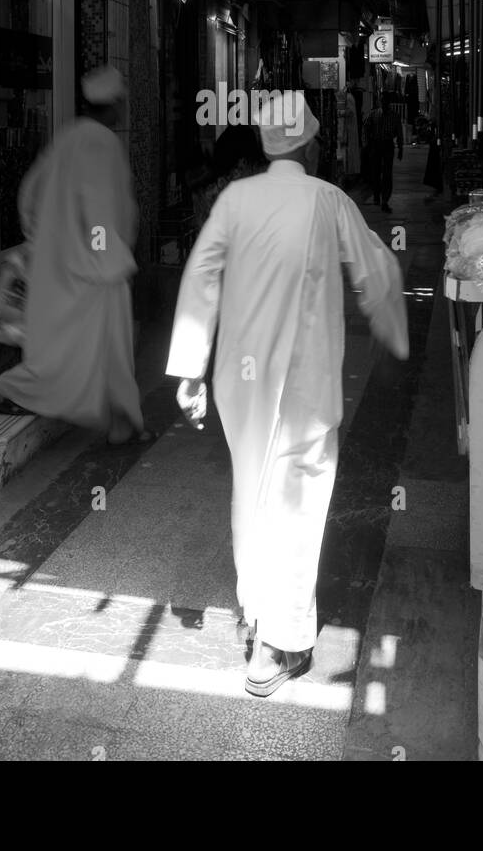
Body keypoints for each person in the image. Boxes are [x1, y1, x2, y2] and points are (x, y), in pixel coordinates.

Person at [165, 93, 409, 697]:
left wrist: (189, 371)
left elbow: (200, 277)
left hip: (241, 384)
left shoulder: (235, 200)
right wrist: (396, 333)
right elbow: (376, 270)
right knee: (298, 501)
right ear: (306, 142)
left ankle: (258, 621)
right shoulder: (328, 200)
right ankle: (280, 641)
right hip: (306, 381)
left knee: (253, 490)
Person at [0, 64, 149, 445]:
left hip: (63, 263)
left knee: (85, 348)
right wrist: (105, 259)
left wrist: (43, 240)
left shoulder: (69, 135)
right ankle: (6, 389)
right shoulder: (101, 143)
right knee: (89, 351)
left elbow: (31, 193)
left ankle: (123, 421)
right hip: (94, 270)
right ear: (113, 104)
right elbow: (99, 214)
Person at [363, 90, 404, 213]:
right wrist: (367, 143)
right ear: (380, 101)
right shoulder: (374, 114)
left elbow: (399, 133)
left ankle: (385, 199)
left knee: (387, 173)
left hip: (387, 145)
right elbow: (366, 127)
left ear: (388, 102)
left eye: (385, 100)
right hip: (376, 144)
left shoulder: (394, 116)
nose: (383, 103)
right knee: (375, 171)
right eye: (382, 100)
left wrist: (400, 148)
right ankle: (376, 195)